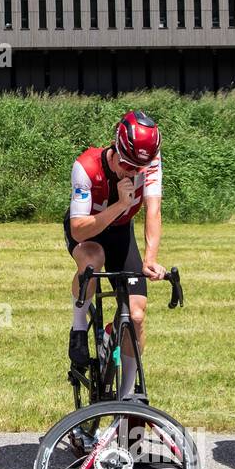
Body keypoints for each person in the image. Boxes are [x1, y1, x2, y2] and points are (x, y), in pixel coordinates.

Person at [63, 110, 167, 397]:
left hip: (121, 233)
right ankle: (79, 328)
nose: (133, 173)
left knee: (135, 315)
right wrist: (121, 204)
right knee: (92, 262)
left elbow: (153, 210)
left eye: (139, 168)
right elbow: (78, 231)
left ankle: (126, 397)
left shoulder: (150, 164)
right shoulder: (86, 167)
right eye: (127, 165)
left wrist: (150, 259)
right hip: (89, 229)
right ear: (116, 149)